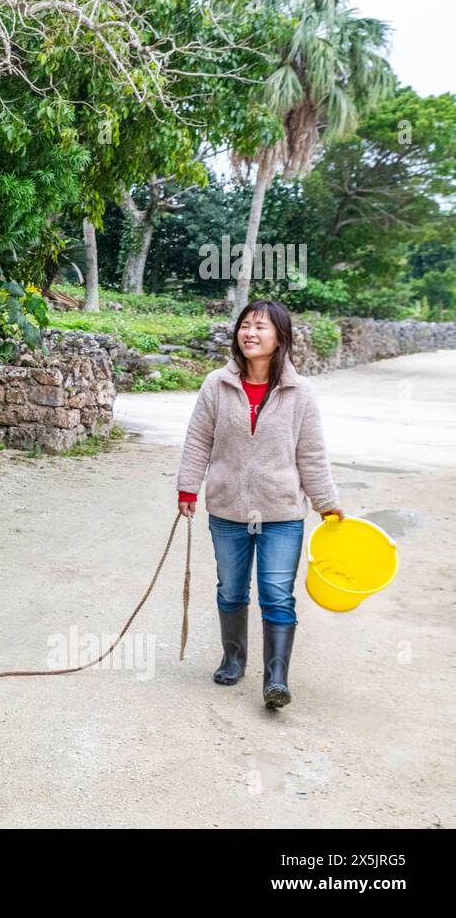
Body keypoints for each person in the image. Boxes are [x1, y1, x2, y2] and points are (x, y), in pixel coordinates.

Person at [175, 299, 343, 709]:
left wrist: (326, 503)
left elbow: (312, 454)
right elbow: (198, 440)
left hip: (281, 513)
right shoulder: (217, 384)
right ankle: (233, 660)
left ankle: (276, 678)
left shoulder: (301, 393)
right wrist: (187, 488)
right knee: (231, 590)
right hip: (228, 509)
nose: (249, 333)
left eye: (261, 327)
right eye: (245, 326)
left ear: (279, 338)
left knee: (276, 594)